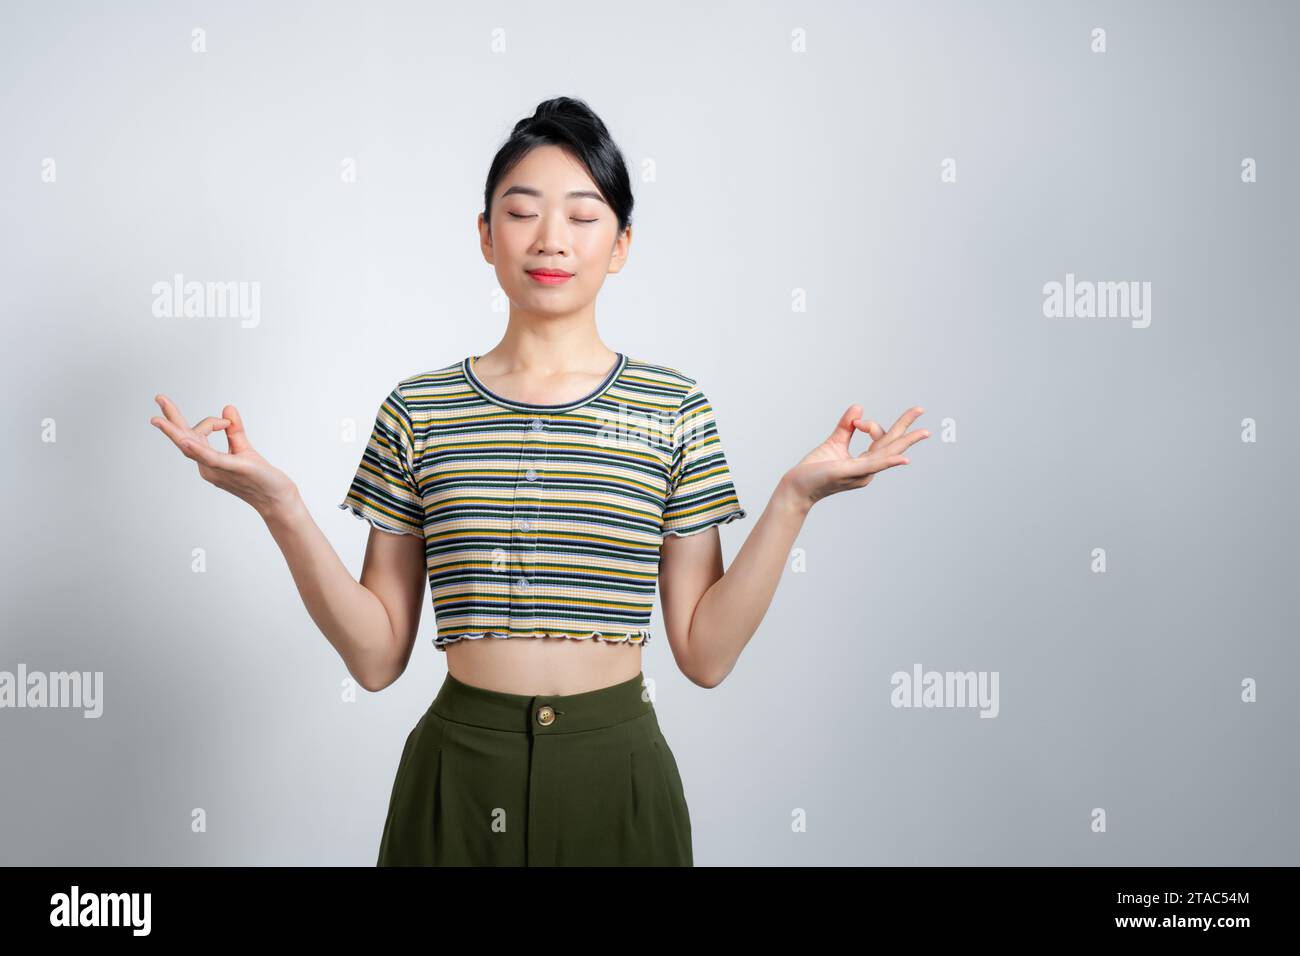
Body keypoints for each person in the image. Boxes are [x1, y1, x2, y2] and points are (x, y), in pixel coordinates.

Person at [149, 96, 928, 866]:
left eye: (585, 217)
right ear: (486, 236)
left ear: (621, 243)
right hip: (456, 784)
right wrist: (278, 506)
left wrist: (794, 499)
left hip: (618, 780)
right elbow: (378, 656)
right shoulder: (420, 410)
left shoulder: (674, 408)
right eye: (522, 212)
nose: (552, 237)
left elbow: (705, 653)